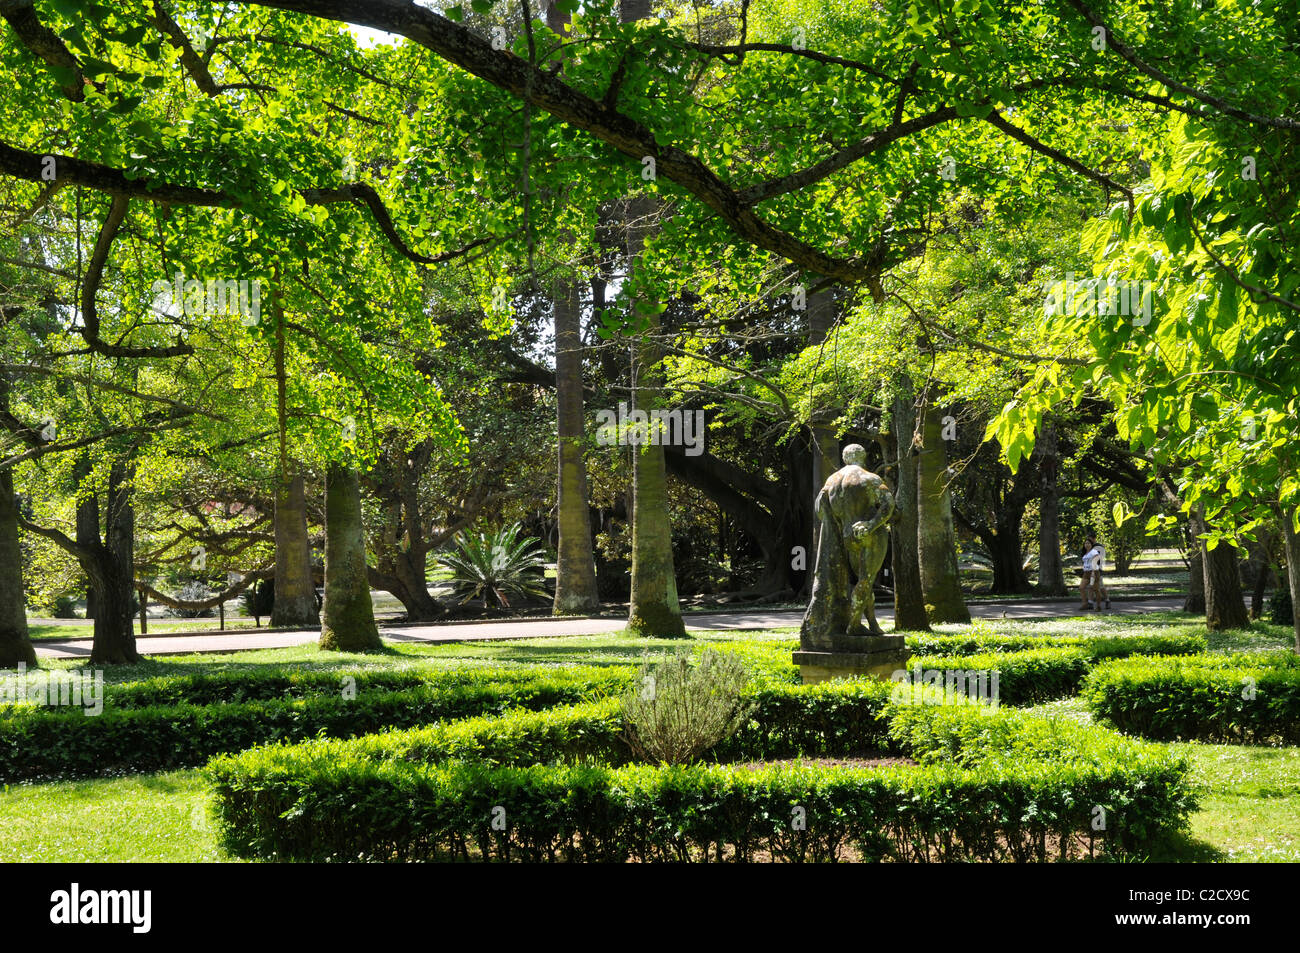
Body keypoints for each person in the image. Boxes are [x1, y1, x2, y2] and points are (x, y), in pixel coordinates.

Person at [1089, 538, 1111, 609]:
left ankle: (1107, 600)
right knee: (1091, 586)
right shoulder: (1090, 547)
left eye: (1090, 539)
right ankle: (1090, 603)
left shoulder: (1098, 547)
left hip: (1097, 570)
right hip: (1091, 570)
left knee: (1100, 586)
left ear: (1094, 538)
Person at [1079, 538, 1097, 609]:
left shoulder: (1094, 552)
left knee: (1091, 588)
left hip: (1092, 572)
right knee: (1081, 588)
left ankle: (1090, 603)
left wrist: (1093, 572)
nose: (1087, 545)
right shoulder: (1085, 553)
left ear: (1091, 544)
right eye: (1086, 543)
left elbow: (1095, 563)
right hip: (1085, 573)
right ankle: (1085, 603)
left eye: (1088, 543)